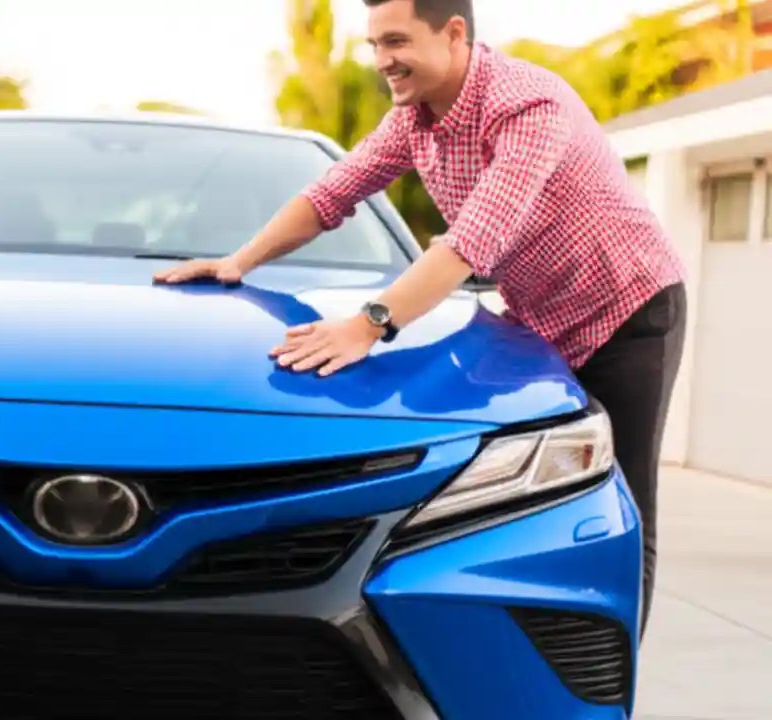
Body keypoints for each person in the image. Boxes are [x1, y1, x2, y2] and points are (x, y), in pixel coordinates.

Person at [153, 0, 687, 633]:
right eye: (375, 44)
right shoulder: (414, 118)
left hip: (628, 310)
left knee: (622, 507)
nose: (383, 61)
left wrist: (365, 326)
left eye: (397, 41)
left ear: (453, 32)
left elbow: (470, 243)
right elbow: (331, 193)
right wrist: (238, 260)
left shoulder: (528, 106)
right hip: (539, 323)